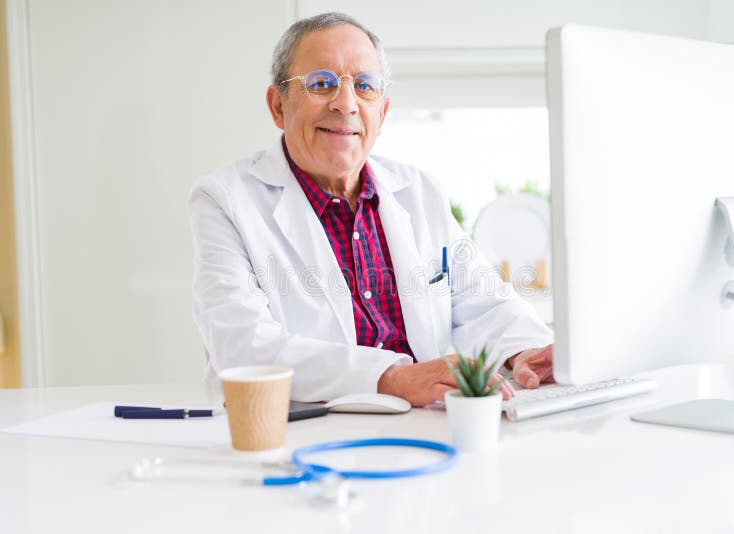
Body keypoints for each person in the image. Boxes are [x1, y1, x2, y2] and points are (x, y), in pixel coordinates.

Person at [189, 12, 554, 407]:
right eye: (322, 83)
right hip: (298, 430)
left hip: (422, 430)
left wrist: (526, 352)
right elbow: (244, 347)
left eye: (365, 86)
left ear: (381, 112)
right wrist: (394, 378)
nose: (345, 104)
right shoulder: (225, 198)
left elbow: (484, 301)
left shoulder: (420, 192)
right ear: (278, 106)